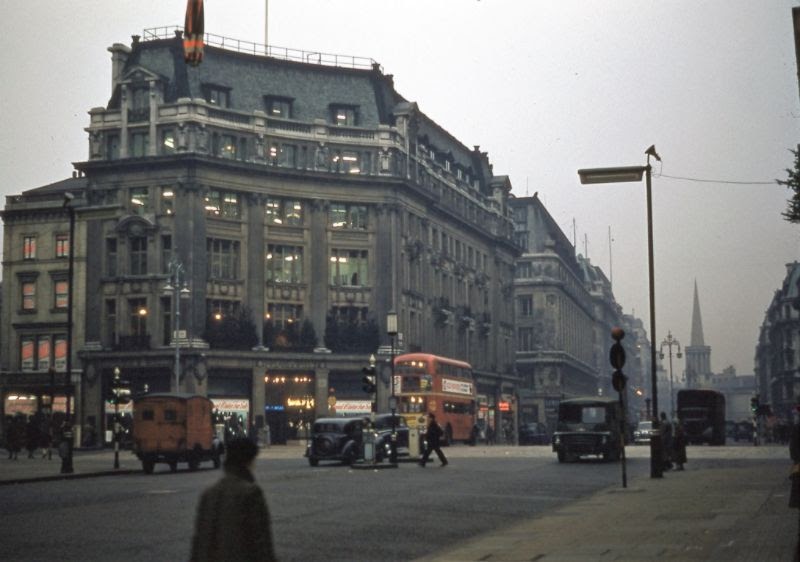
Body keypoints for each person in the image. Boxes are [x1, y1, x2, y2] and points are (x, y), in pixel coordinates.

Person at [190, 437, 277, 562]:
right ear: (249, 460)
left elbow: (198, 542)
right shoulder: (251, 493)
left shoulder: (209, 494)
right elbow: (261, 543)